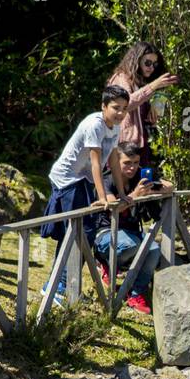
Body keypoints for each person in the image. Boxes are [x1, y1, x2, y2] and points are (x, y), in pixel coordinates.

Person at [40, 86, 131, 304]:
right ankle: (55, 287)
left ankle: (67, 286)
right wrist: (102, 196)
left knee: (83, 233)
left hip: (82, 180)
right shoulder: (94, 125)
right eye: (115, 108)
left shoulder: (115, 127)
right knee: (77, 232)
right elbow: (95, 162)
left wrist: (121, 193)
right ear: (103, 106)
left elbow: (113, 162)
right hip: (68, 179)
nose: (120, 113)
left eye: (124, 109)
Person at [86, 142, 170, 314]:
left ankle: (136, 293)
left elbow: (170, 186)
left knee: (153, 249)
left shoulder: (140, 177)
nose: (132, 168)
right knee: (132, 245)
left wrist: (152, 190)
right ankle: (106, 263)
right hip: (106, 234)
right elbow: (112, 206)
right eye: (127, 163)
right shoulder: (107, 179)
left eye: (136, 163)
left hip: (132, 233)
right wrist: (135, 195)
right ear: (115, 162)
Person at [105, 42, 178, 166]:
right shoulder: (121, 78)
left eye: (155, 64)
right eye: (147, 63)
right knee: (122, 184)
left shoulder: (140, 82)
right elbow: (125, 104)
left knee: (144, 183)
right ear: (136, 60)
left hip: (139, 145)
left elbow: (141, 107)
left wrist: (154, 106)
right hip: (124, 147)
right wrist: (153, 86)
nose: (151, 67)